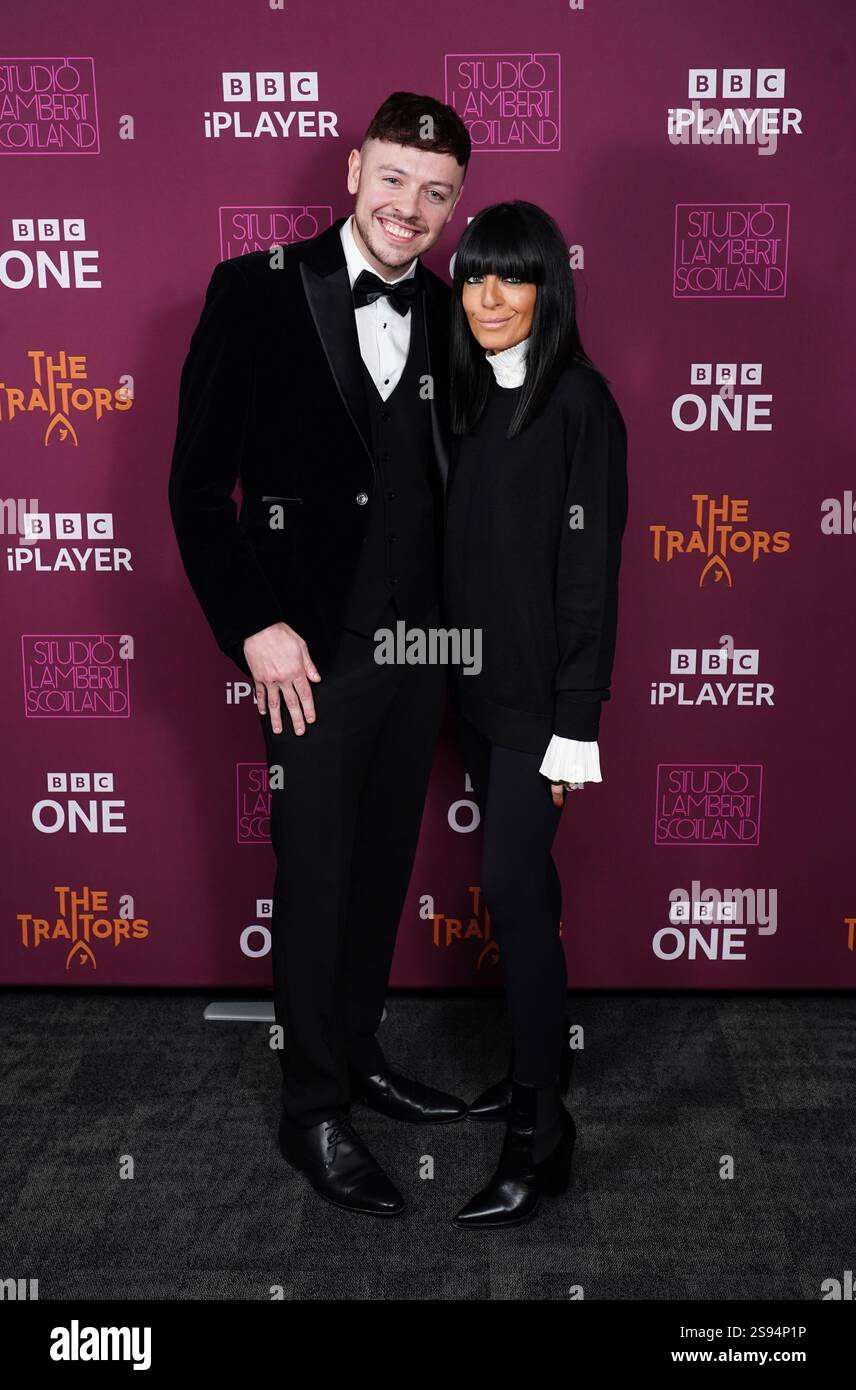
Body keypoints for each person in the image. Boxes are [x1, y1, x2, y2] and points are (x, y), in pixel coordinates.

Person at [168, 92, 472, 1218]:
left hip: (420, 645)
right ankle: (311, 1108)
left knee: (385, 860)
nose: (410, 209)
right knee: (317, 875)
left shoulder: (450, 312)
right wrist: (256, 626)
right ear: (353, 170)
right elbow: (197, 493)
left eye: (436, 193)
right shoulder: (253, 292)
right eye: (393, 179)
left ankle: (357, 1055)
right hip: (306, 654)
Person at [443, 200, 629, 1228]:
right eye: (474, 277)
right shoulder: (468, 395)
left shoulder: (580, 404)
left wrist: (575, 726)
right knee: (522, 892)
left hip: (542, 713)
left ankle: (539, 1125)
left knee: (512, 893)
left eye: (511, 278)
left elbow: (587, 581)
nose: (489, 298)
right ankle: (528, 1071)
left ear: (547, 287)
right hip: (474, 695)